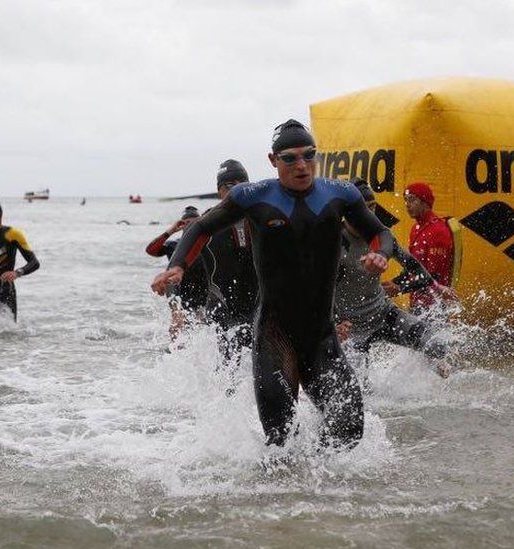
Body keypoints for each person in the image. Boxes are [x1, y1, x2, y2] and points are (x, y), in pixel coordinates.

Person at [151, 119, 394, 451]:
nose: (302, 165)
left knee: (349, 430)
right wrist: (177, 266)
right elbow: (200, 229)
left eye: (309, 156)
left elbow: (380, 232)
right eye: (290, 158)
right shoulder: (253, 197)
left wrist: (380, 254)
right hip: (273, 337)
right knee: (280, 444)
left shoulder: (340, 195)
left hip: (321, 336)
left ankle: (322, 492)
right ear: (273, 160)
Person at [334, 180, 444, 358]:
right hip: (350, 327)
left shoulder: (383, 236)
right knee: (357, 385)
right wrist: (335, 323)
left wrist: (398, 286)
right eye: (363, 209)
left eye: (372, 207)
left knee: (436, 346)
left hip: (382, 314)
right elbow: (316, 291)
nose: (369, 214)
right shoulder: (333, 240)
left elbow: (420, 273)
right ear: (346, 212)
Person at [201, 159, 258, 372]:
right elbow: (185, 262)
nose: (237, 189)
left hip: (256, 304)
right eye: (229, 186)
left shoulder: (262, 218)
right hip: (221, 306)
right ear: (219, 192)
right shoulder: (206, 222)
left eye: (242, 183)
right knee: (227, 368)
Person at [145, 206, 208, 338]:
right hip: (180, 291)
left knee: (202, 325)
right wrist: (171, 231)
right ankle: (173, 352)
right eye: (187, 222)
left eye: (194, 222)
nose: (190, 225)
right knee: (179, 325)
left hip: (204, 291)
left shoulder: (207, 243)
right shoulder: (174, 245)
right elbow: (151, 250)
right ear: (182, 224)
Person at [397, 182, 454, 314]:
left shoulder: (438, 231)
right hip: (417, 301)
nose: (407, 204)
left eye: (412, 199)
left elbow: (434, 276)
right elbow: (413, 268)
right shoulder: (415, 229)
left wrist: (400, 288)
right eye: (405, 200)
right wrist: (395, 282)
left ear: (425, 202)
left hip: (434, 306)